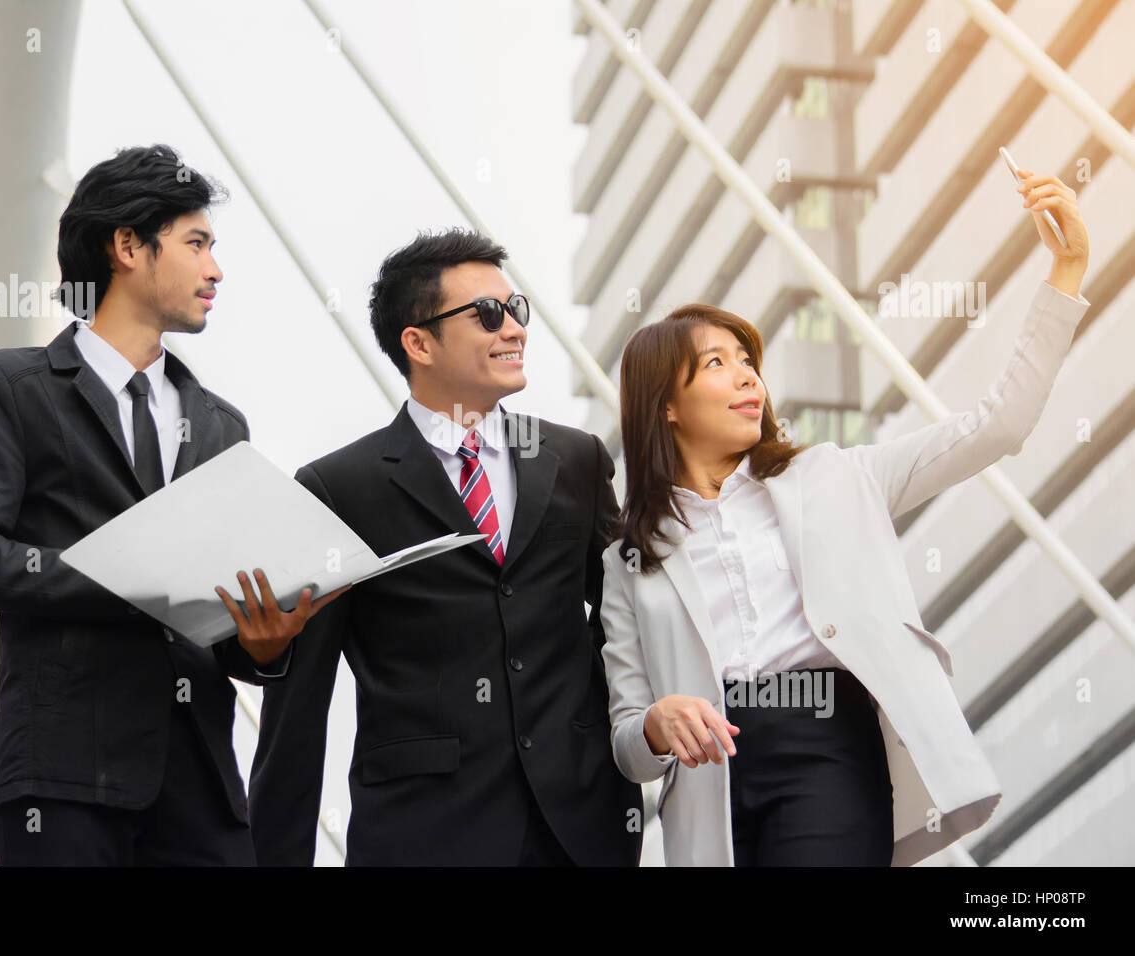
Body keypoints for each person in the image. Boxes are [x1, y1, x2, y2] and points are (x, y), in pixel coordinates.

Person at [599, 170, 1091, 866]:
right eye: (717, 363)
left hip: (827, 749)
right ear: (666, 406)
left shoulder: (836, 478)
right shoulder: (628, 562)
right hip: (712, 792)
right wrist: (654, 725)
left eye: (749, 361)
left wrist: (1066, 270)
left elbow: (997, 427)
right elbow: (627, 742)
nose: (748, 377)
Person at [0, 144, 338, 865]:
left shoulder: (220, 422)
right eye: (197, 243)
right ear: (126, 246)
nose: (215, 270)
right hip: (64, 781)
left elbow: (213, 610)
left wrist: (263, 645)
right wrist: (134, 579)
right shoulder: (10, 388)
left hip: (203, 792)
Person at [240, 228, 642, 865]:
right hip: (422, 833)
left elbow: (627, 619)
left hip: (579, 826)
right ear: (418, 342)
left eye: (517, 310)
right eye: (487, 314)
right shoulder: (338, 486)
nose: (513, 329)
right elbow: (299, 708)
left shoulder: (576, 459)